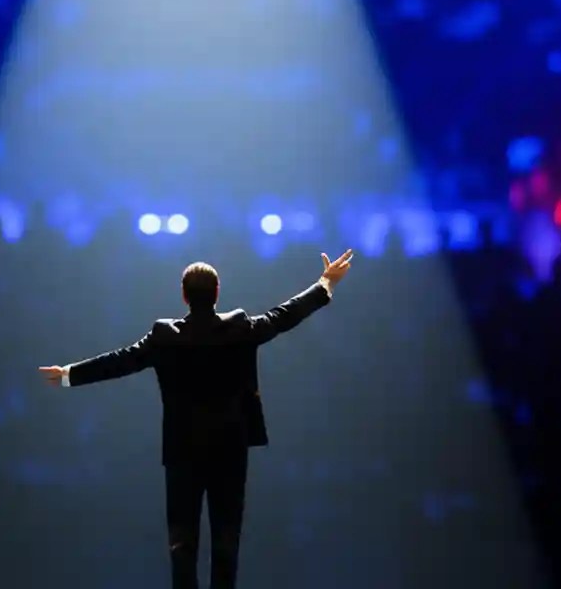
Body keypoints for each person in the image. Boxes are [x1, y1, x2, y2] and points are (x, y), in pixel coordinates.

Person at [37, 249, 354, 589]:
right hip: (230, 450)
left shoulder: (164, 336)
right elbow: (284, 315)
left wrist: (70, 374)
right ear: (217, 293)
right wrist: (325, 284)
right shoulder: (239, 328)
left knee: (182, 545)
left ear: (184, 296)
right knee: (226, 540)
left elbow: (121, 361)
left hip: (182, 451)